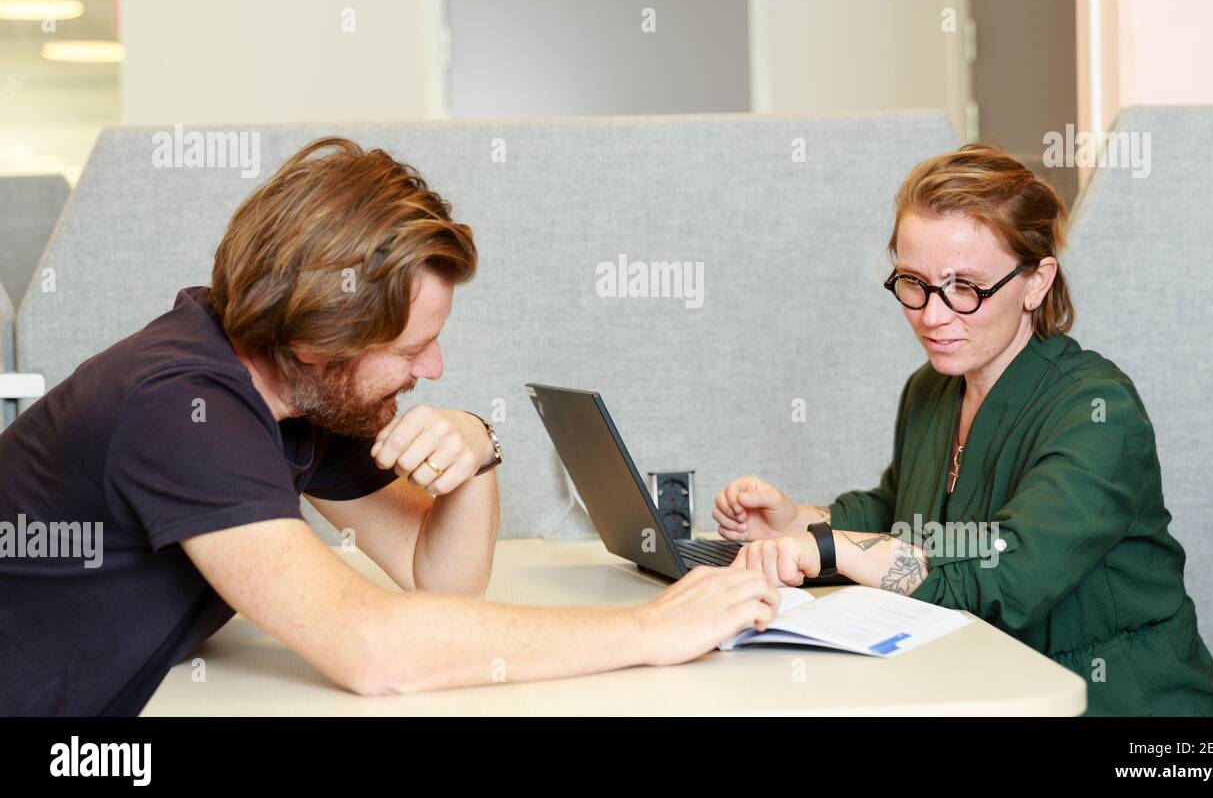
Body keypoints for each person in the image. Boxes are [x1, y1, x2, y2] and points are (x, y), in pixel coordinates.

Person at [0, 137, 777, 715]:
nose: (432, 368)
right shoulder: (182, 406)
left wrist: (478, 450)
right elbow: (373, 650)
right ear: (316, 340)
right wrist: (650, 632)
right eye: (409, 348)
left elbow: (437, 578)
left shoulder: (291, 388)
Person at [716, 144, 1213, 716]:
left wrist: (829, 549)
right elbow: (905, 512)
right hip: (982, 691)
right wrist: (802, 521)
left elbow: (1004, 576)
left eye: (965, 286)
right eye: (913, 282)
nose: (932, 316)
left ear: (1037, 282)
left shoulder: (1098, 410)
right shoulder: (933, 388)